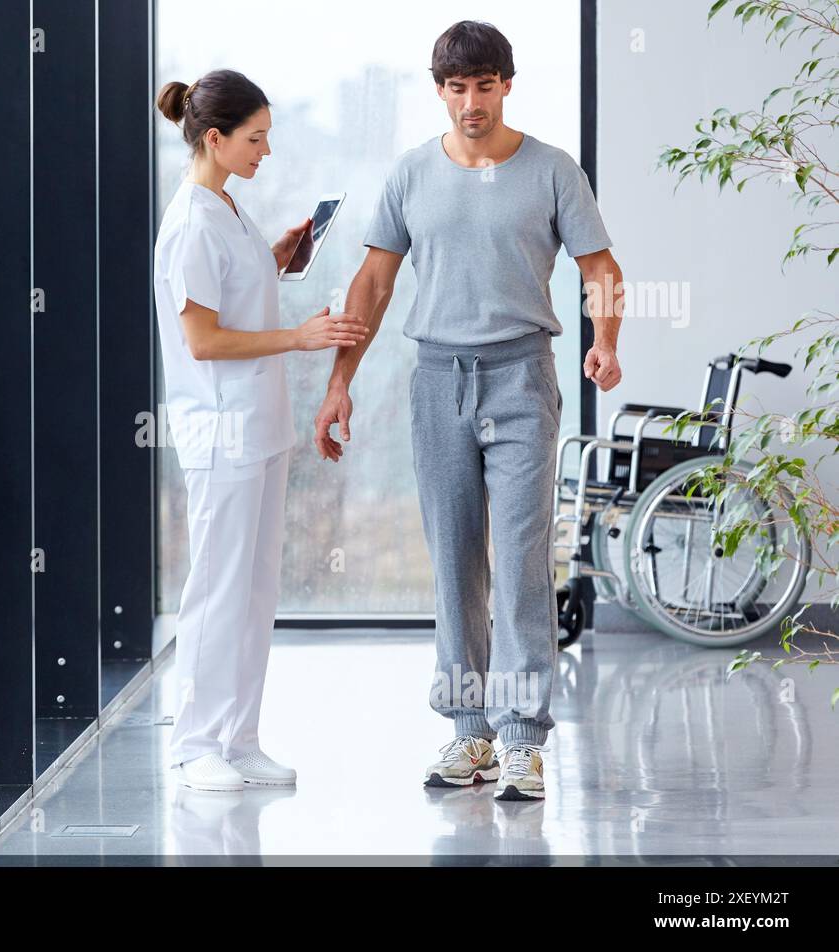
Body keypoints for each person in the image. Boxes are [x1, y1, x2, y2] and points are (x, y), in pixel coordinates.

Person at [313, 21, 624, 801]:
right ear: (439, 89)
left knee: (518, 561)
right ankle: (468, 737)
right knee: (454, 562)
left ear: (507, 85)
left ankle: (522, 739)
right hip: (436, 381)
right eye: (456, 88)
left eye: (485, 85)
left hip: (521, 376)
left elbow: (601, 268)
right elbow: (374, 285)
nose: (471, 102)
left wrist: (607, 340)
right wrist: (338, 381)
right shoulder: (412, 173)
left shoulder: (552, 170)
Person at [153, 69, 367, 792]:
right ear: (213, 139)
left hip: (260, 427)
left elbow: (234, 296)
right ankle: (194, 745)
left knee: (255, 590)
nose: (266, 150)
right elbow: (205, 342)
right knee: (217, 589)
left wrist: (279, 257)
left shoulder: (229, 211)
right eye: (255, 138)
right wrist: (298, 338)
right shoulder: (188, 222)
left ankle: (238, 737)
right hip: (222, 435)